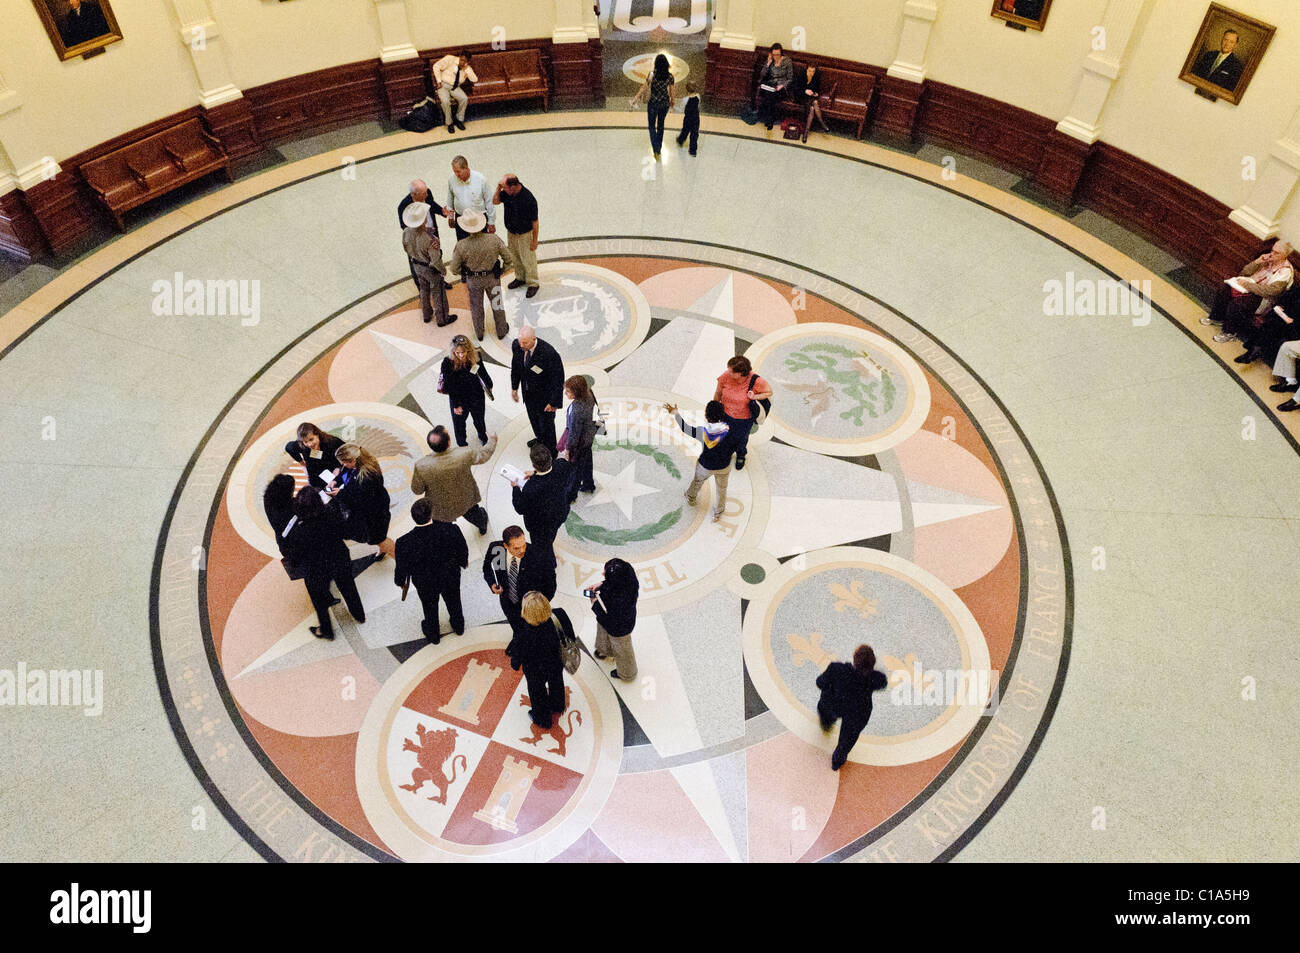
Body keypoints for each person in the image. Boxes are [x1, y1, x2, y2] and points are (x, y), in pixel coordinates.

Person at [282, 486, 366, 640]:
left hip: (316, 569)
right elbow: (346, 532)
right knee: (349, 588)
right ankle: (359, 615)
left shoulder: (299, 531)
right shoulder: (332, 514)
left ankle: (326, 630)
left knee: (319, 601)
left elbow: (295, 557)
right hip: (339, 559)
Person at [393, 499, 469, 643]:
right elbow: (462, 550)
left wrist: (399, 581)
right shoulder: (451, 529)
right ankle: (458, 626)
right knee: (454, 601)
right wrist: (462, 563)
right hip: (450, 576)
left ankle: (434, 635)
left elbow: (401, 568)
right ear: (431, 514)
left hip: (425, 583)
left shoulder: (403, 542)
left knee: (429, 607)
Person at [410, 425, 496, 535]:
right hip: (465, 497)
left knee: (445, 526)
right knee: (475, 514)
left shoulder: (421, 466)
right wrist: (492, 440)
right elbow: (483, 455)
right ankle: (482, 526)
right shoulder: (463, 454)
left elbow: (417, 490)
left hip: (440, 506)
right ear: (449, 442)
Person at [1203, 241, 1294, 344]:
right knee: (1224, 289)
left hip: (1262, 298)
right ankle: (1217, 318)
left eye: (1276, 253)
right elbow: (1244, 272)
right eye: (1272, 250)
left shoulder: (1286, 272)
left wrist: (1248, 286)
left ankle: (1230, 332)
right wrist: (1257, 262)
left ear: (1285, 255)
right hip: (1248, 287)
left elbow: (1271, 292)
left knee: (1238, 303)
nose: (1272, 254)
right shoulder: (1267, 259)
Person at [816, 644, 888, 771]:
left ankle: (827, 722)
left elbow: (820, 682)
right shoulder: (872, 679)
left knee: (825, 708)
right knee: (847, 740)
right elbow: (883, 681)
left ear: (854, 659)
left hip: (835, 705)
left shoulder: (836, 669)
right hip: (858, 712)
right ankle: (837, 762)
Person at [506, 592, 572, 729]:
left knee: (538, 693)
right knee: (556, 681)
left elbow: (517, 656)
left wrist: (515, 664)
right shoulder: (559, 614)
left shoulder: (523, 631)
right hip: (556, 662)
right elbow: (570, 635)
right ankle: (558, 705)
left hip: (535, 670)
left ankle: (543, 720)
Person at [448, 209, 510, 341]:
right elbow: (508, 258)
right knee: (497, 305)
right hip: (492, 278)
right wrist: (502, 270)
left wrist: (466, 273)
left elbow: (454, 269)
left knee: (476, 308)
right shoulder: (494, 239)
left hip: (474, 281)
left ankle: (480, 333)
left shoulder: (461, 245)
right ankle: (501, 330)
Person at [666, 401, 732, 522]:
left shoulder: (703, 431)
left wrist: (675, 413)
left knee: (697, 482)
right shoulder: (729, 430)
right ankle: (718, 511)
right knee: (722, 488)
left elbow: (685, 428)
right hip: (724, 466)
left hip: (705, 466)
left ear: (706, 415)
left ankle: (691, 497)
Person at [482, 525, 557, 627]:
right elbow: (487, 568)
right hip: (507, 602)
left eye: (524, 545)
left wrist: (539, 604)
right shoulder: (496, 549)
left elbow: (551, 584)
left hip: (531, 607)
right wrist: (492, 584)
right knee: (515, 626)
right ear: (505, 546)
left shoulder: (538, 555)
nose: (522, 550)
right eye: (516, 548)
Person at [511, 324, 565, 456]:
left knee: (547, 426)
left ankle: (552, 452)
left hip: (545, 399)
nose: (521, 345)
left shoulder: (549, 353)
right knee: (534, 421)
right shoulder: (517, 346)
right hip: (528, 394)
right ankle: (540, 441)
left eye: (525, 342)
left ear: (533, 339)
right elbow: (516, 367)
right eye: (520, 341)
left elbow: (558, 379)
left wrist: (554, 403)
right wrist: (514, 387)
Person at [328, 443, 392, 552]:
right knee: (374, 537)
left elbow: (361, 501)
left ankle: (392, 553)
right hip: (364, 510)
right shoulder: (355, 464)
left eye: (343, 462)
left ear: (353, 460)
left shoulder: (367, 476)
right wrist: (336, 480)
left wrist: (340, 494)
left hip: (374, 513)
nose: (342, 465)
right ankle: (382, 549)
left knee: (379, 538)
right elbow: (344, 472)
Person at [713, 355, 772, 471]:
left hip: (744, 419)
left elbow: (769, 392)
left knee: (741, 440)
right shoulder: (725, 376)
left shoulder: (756, 381)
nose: (727, 372)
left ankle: (741, 455)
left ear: (740, 373)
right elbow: (718, 392)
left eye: (731, 371)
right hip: (726, 414)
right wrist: (714, 408)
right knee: (725, 437)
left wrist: (755, 396)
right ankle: (726, 453)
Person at [511, 443, 573, 551]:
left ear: (534, 465)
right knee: (551, 535)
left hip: (539, 525)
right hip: (558, 514)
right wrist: (535, 473)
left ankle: (545, 556)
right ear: (550, 458)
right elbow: (557, 469)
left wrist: (515, 488)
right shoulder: (562, 465)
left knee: (541, 545)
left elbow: (520, 508)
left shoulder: (530, 488)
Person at [401, 201, 453, 327]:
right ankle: (442, 318)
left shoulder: (406, 232)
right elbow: (435, 260)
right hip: (430, 268)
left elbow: (405, 248)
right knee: (438, 292)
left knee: (423, 290)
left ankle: (426, 314)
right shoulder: (431, 239)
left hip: (416, 266)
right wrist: (442, 271)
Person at [438, 334, 493, 446]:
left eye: (464, 352)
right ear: (453, 351)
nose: (461, 355)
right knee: (459, 424)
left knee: (479, 419)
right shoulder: (448, 362)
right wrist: (456, 405)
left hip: (476, 395)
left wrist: (489, 384)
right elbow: (449, 386)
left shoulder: (476, 356)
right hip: (459, 398)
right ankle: (462, 444)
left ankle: (483, 436)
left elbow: (482, 371)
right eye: (457, 353)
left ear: (469, 350)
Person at [590, 558, 639, 682]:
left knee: (623, 649)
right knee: (603, 631)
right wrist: (602, 583)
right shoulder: (628, 578)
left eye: (605, 573)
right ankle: (605, 650)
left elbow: (606, 615)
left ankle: (628, 673)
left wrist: (594, 603)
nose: (602, 574)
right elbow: (616, 582)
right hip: (617, 620)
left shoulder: (617, 599)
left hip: (619, 627)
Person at [398, 179, 451, 292]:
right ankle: (422, 290)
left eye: (426, 192)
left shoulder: (427, 193)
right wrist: (421, 230)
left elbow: (432, 204)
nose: (426, 195)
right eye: (423, 194)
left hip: (432, 233)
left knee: (436, 256)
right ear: (414, 194)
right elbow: (404, 226)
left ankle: (439, 281)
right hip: (417, 240)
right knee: (418, 263)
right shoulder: (403, 206)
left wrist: (442, 211)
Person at [493, 174, 541, 298]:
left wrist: (534, 240)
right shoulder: (507, 193)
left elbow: (535, 222)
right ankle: (520, 277)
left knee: (528, 259)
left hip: (525, 234)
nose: (504, 191)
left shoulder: (528, 198)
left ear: (513, 186)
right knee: (515, 257)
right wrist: (498, 188)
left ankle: (533, 283)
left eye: (505, 188)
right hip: (511, 232)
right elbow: (495, 201)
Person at [1233, 284, 1300, 366]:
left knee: (1274, 325)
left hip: (1296, 326)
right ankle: (1253, 351)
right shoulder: (1298, 290)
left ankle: (1252, 351)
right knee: (1274, 321)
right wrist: (1280, 306)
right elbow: (1286, 298)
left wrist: (1291, 320)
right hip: (1286, 317)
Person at [561, 375, 599, 503]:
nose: (565, 393)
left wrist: (568, 449)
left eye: (568, 391)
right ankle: (588, 484)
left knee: (575, 470)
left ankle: (571, 495)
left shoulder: (577, 411)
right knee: (587, 461)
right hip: (588, 437)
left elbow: (574, 435)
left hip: (580, 442)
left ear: (576, 392)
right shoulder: (588, 393)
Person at [631, 53, 675, 160]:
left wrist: (636, 98)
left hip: (653, 104)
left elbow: (643, 87)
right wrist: (672, 101)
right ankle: (658, 149)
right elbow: (672, 92)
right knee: (661, 126)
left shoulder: (652, 75)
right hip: (664, 103)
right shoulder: (670, 77)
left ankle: (656, 149)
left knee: (651, 126)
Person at [443, 155, 495, 240]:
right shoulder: (452, 179)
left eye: (458, 171)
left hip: (479, 219)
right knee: (463, 248)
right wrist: (451, 217)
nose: (456, 174)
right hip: (461, 219)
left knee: (481, 247)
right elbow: (450, 198)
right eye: (454, 171)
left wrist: (491, 222)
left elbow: (489, 202)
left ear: (466, 168)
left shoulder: (481, 179)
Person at [284, 422, 343, 488]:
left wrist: (339, 467)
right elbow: (289, 447)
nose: (309, 444)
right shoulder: (302, 445)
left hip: (333, 468)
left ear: (317, 434)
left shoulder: (332, 442)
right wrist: (302, 464)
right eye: (306, 441)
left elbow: (347, 450)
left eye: (311, 439)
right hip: (315, 473)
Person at [432, 50, 478, 133]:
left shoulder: (467, 68)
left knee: (464, 98)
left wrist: (467, 70)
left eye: (465, 61)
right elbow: (436, 66)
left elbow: (474, 79)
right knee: (445, 101)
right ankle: (449, 123)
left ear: (468, 62)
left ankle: (459, 119)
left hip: (455, 87)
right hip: (443, 85)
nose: (462, 62)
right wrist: (438, 81)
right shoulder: (450, 59)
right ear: (459, 57)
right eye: (461, 59)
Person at [756, 43, 794, 132]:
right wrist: (768, 63)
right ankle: (769, 120)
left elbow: (790, 78)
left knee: (770, 95)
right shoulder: (771, 60)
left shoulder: (787, 61)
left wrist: (782, 85)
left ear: (781, 53)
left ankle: (768, 120)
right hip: (771, 85)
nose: (776, 56)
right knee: (769, 93)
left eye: (778, 54)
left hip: (782, 87)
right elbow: (762, 74)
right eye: (774, 54)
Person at [798, 64, 828, 143]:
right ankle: (821, 122)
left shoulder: (816, 77)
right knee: (813, 107)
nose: (811, 73)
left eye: (813, 71)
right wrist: (805, 91)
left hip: (811, 97)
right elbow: (796, 88)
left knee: (814, 102)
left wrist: (815, 93)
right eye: (810, 71)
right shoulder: (801, 75)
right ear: (806, 70)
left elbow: (818, 89)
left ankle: (806, 132)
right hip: (801, 96)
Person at [675, 82, 700, 156]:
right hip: (696, 118)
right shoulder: (698, 97)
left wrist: (673, 107)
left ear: (687, 90)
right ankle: (693, 151)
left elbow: (681, 110)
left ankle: (680, 140)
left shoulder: (685, 99)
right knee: (694, 133)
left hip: (688, 118)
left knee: (685, 130)